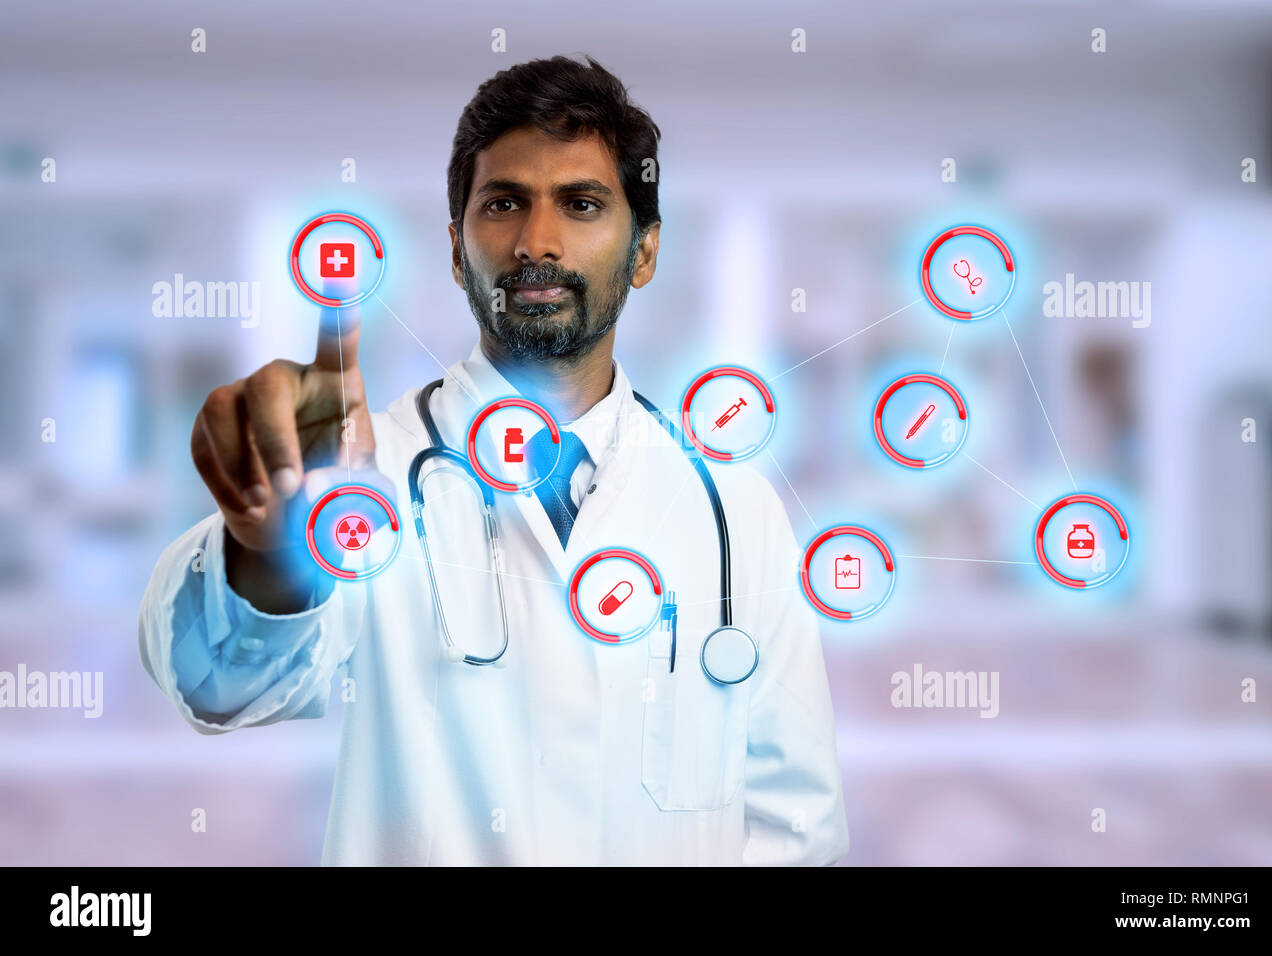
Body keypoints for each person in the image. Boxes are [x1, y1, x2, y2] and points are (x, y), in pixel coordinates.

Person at [138, 54, 849, 865]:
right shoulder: (366, 480)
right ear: (455, 247)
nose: (535, 242)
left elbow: (797, 823)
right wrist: (269, 554)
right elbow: (220, 685)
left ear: (644, 251)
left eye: (581, 205)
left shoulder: (735, 510)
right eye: (503, 203)